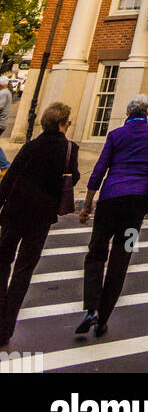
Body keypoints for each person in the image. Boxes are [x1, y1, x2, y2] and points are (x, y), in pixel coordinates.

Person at [76, 93, 148, 339]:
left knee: (96, 252)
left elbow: (99, 171)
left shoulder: (115, 135)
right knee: (121, 258)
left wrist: (87, 205)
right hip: (136, 207)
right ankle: (103, 318)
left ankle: (91, 308)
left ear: (127, 113)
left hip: (109, 202)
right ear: (147, 114)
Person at [0, 102, 80, 345]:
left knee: (3, 261)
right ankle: (6, 328)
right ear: (61, 124)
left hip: (15, 211)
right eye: (67, 122)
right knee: (24, 270)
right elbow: (72, 177)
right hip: (41, 217)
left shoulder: (31, 146)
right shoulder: (69, 149)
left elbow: (10, 178)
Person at [0, 75, 12, 174]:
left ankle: (5, 165)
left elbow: (0, 107)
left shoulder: (3, 93)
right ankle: (5, 165)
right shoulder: (7, 92)